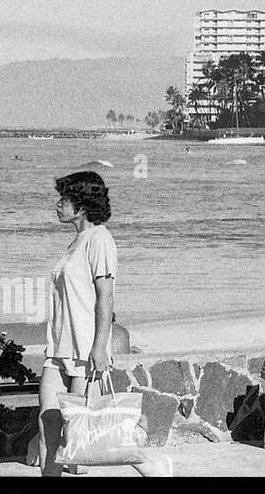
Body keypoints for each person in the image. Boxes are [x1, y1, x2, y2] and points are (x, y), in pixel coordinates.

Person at [41, 172, 169, 476]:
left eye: (64, 199)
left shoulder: (100, 239)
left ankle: (151, 466)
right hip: (58, 349)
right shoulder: (76, 241)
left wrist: (99, 347)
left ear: (82, 205)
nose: (57, 205)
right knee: (48, 422)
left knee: (86, 431)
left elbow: (105, 298)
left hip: (86, 350)